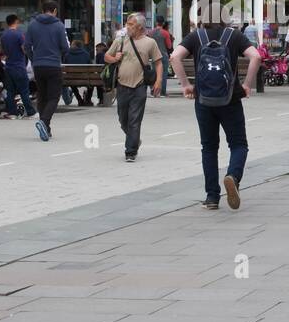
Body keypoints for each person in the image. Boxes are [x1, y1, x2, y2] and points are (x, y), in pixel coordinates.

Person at [170, 21, 262, 211]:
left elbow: (174, 57)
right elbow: (256, 56)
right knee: (238, 144)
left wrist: (186, 85)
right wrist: (247, 85)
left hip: (203, 100)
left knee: (209, 147)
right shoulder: (234, 35)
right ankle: (233, 176)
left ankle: (212, 197)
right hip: (231, 99)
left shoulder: (196, 35)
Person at [104, 13, 163, 161]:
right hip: (122, 85)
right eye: (127, 23)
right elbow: (106, 56)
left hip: (139, 86)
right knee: (122, 119)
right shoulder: (121, 40)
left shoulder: (150, 42)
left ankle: (130, 151)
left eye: (130, 24)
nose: (127, 26)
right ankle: (134, 139)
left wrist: (158, 81)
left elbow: (158, 62)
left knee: (134, 120)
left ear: (140, 27)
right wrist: (114, 58)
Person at [25, 0, 69, 141]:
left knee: (42, 96)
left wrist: (33, 58)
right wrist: (59, 55)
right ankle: (43, 121)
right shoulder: (59, 26)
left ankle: (46, 129)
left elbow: (26, 46)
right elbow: (65, 47)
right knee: (54, 97)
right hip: (53, 65)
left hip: (38, 65)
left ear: (43, 9)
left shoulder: (32, 25)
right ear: (55, 11)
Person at [0, 14, 35, 119]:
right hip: (19, 66)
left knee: (10, 91)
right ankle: (30, 112)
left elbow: (3, 51)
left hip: (9, 67)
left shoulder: (3, 35)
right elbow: (24, 49)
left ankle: (12, 113)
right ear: (16, 22)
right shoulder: (19, 35)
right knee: (24, 90)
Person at [63, 37, 96, 106]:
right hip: (85, 79)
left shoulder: (67, 55)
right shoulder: (86, 54)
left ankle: (79, 100)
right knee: (92, 83)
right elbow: (90, 67)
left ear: (74, 46)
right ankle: (88, 100)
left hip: (71, 79)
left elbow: (65, 67)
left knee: (72, 83)